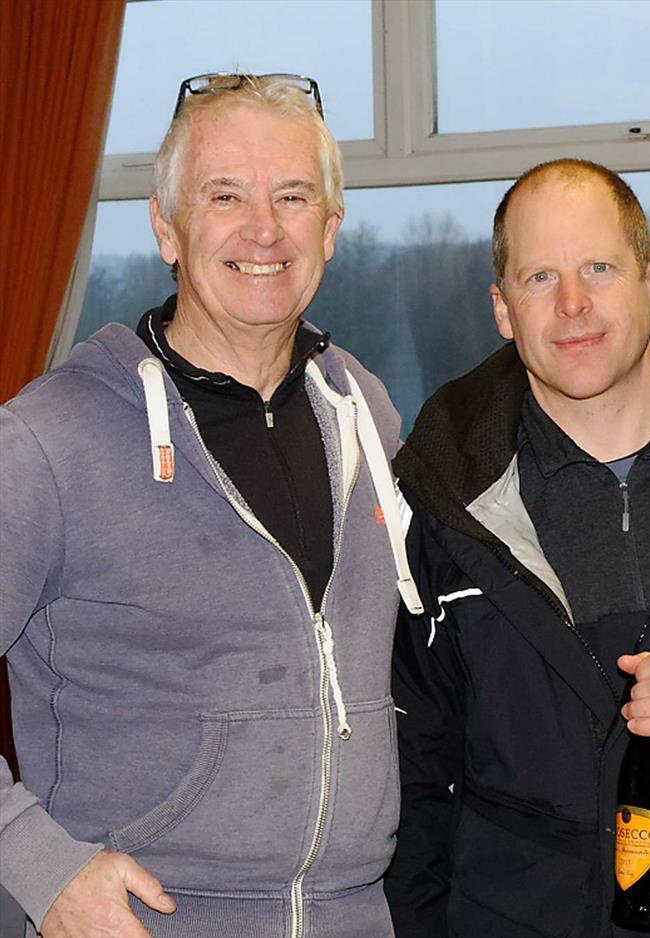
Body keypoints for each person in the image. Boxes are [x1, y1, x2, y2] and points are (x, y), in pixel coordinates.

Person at [0, 73, 421, 938]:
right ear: (167, 227)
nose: (263, 229)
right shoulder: (50, 439)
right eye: (224, 195)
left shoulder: (367, 414)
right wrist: (40, 869)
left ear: (331, 230)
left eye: (294, 197)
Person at [385, 159, 650, 937]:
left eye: (598, 268)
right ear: (503, 310)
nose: (572, 304)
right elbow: (415, 782)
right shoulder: (440, 509)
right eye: (539, 277)